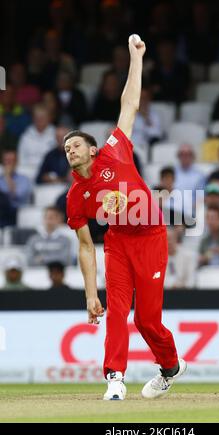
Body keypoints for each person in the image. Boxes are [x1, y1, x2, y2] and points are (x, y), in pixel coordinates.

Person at [64, 36, 186, 401]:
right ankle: (114, 377)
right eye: (66, 148)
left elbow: (129, 103)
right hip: (117, 243)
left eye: (76, 145)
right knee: (117, 310)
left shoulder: (115, 152)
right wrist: (89, 295)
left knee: (147, 320)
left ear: (92, 149)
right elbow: (86, 248)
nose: (70, 150)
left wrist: (137, 58)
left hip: (151, 236)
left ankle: (170, 367)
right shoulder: (75, 197)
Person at [18, 104, 56, 170]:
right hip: (28, 169)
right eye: (37, 117)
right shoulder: (26, 135)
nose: (40, 120)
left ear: (49, 118)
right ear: (33, 118)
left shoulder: (56, 134)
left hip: (48, 171)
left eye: (43, 117)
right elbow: (21, 157)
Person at [0, 150, 32, 226]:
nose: (8, 163)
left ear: (16, 162)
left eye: (11, 161)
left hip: (15, 212)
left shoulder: (24, 179)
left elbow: (17, 196)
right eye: (6, 161)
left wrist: (7, 177)